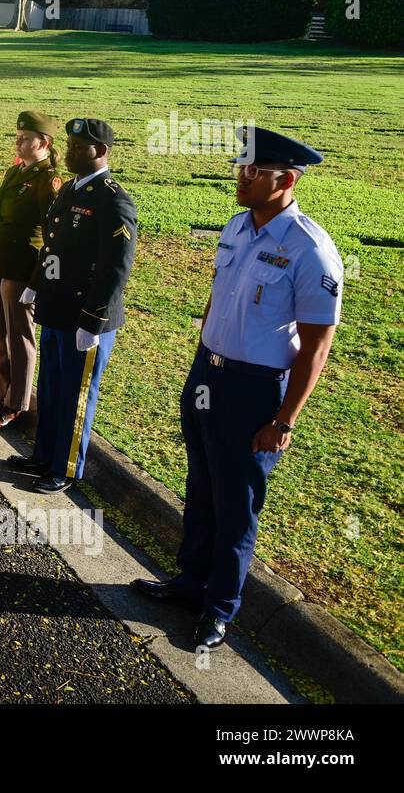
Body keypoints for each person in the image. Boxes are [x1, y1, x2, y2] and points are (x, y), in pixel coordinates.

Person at [132, 127, 342, 651]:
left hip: (254, 390)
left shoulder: (310, 249)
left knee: (237, 503)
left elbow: (317, 346)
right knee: (201, 485)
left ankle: (219, 608)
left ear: (287, 181)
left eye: (255, 172)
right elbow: (217, 296)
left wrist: (284, 421)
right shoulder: (236, 226)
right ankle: (189, 583)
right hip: (209, 374)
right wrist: (203, 360)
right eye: (241, 169)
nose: (243, 178)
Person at [8, 118, 138, 494]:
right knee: (50, 388)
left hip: (85, 317)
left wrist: (93, 321)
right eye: (69, 145)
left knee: (75, 396)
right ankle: (43, 455)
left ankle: (64, 469)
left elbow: (115, 269)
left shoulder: (113, 200)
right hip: (56, 309)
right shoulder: (69, 189)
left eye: (80, 148)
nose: (70, 153)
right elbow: (53, 245)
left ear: (102, 151)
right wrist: (35, 285)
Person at [0, 111, 63, 431]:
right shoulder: (15, 171)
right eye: (18, 137)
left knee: (20, 336)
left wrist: (38, 279)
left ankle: (16, 403)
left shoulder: (48, 180)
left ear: (44, 143)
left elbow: (53, 234)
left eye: (25, 139)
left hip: (23, 264)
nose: (18, 142)